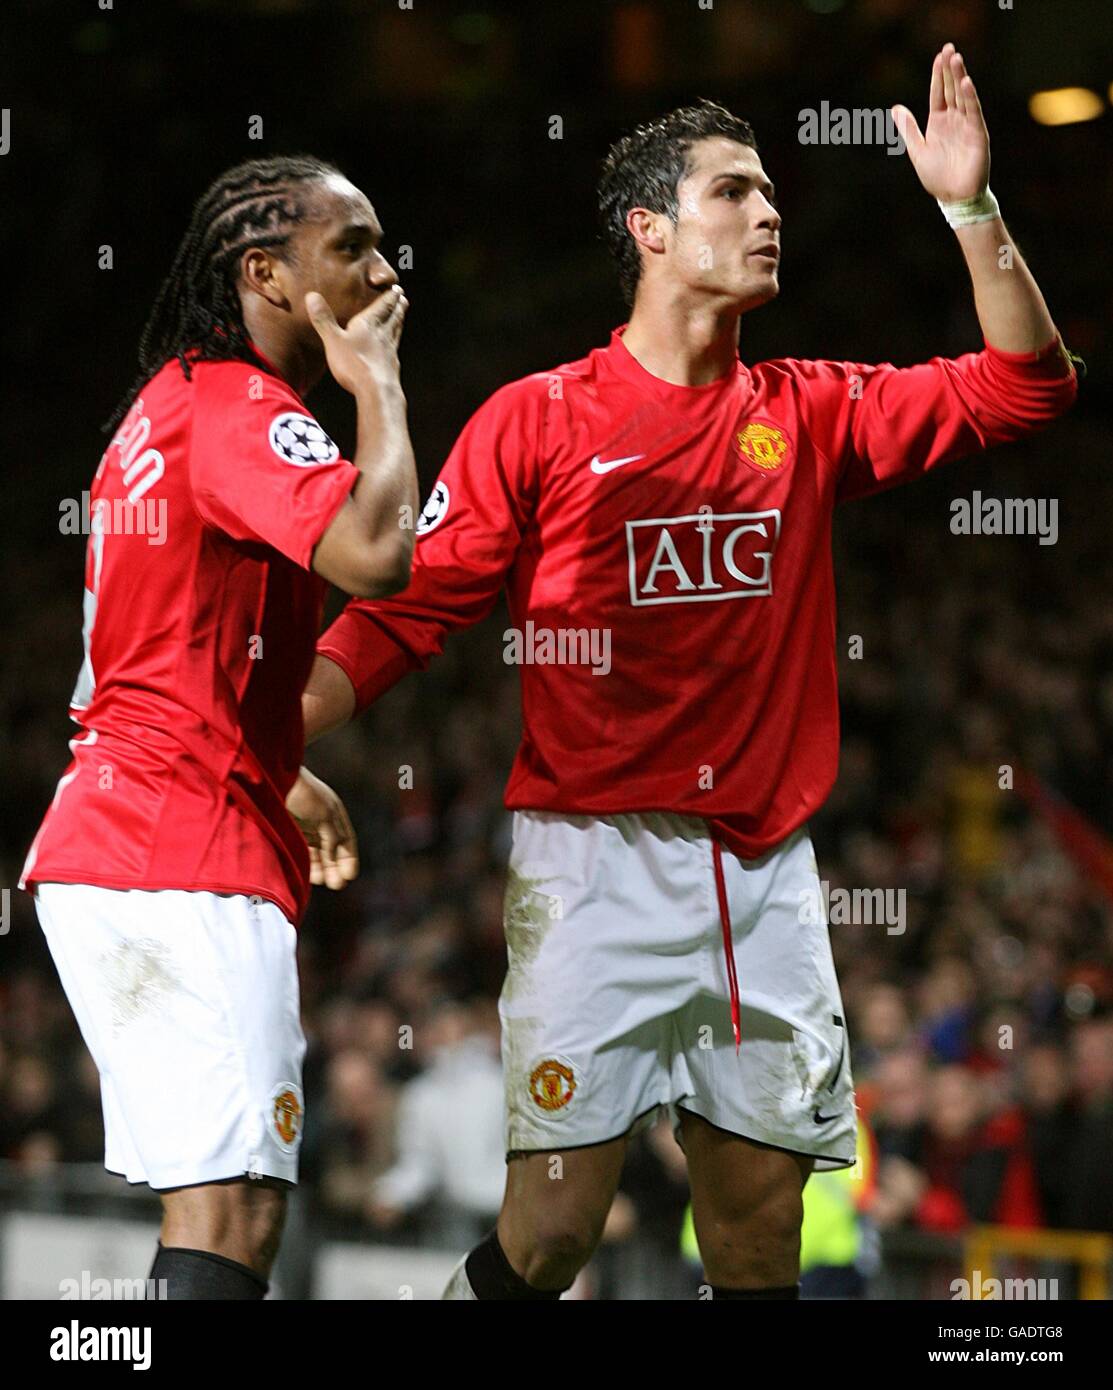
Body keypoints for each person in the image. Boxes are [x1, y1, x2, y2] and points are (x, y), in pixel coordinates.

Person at [297, 45, 1078, 1299]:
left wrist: (971, 208)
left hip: (765, 870)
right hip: (590, 863)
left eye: (771, 192)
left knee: (762, 1235)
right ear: (649, 228)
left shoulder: (808, 408)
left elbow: (1027, 391)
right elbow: (408, 611)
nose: (770, 213)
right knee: (553, 1235)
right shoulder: (537, 418)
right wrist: (283, 734)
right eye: (735, 192)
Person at [20, 155, 417, 1298]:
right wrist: (378, 383)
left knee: (226, 1207)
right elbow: (377, 558)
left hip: (136, 830)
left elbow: (158, 657)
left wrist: (277, 768)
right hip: (173, 853)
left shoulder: (166, 407)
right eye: (350, 246)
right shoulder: (245, 409)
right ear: (266, 273)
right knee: (232, 1212)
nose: (383, 270)